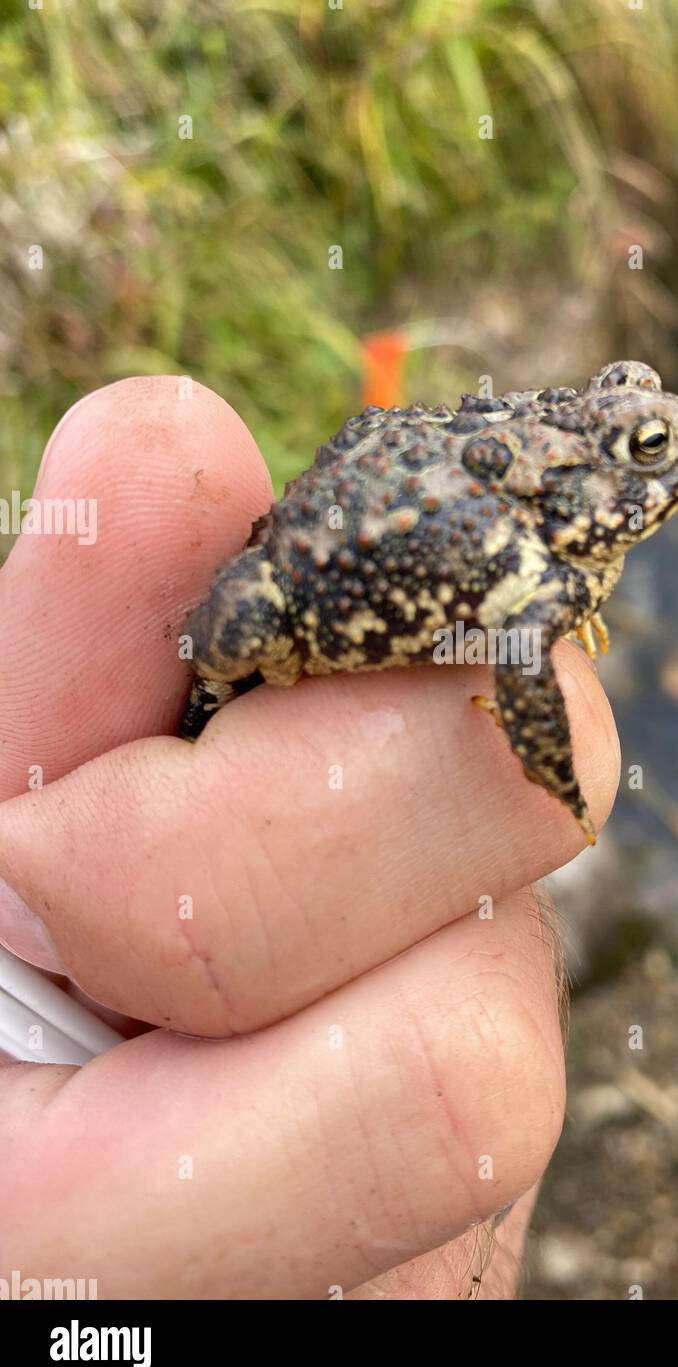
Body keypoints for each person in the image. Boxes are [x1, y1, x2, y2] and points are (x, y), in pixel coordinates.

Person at [0, 376, 619, 1299]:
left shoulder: (543, 553)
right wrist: (560, 791)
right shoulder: (532, 562)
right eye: (641, 449)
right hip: (290, 589)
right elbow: (526, 679)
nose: (671, 451)